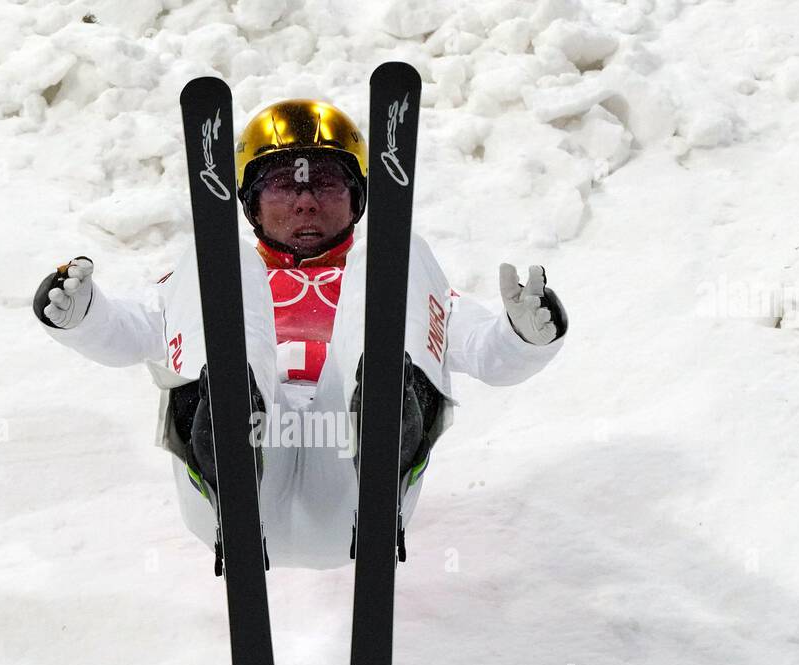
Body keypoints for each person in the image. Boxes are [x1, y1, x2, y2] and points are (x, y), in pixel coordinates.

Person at [32, 98, 568, 569]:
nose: (306, 201)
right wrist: (82, 316)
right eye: (284, 184)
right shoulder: (216, 277)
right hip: (237, 486)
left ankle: (383, 421)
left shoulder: (384, 277)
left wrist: (523, 337)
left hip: (355, 485)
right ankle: (227, 426)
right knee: (215, 256)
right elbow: (129, 331)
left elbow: (485, 353)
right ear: (250, 202)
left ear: (357, 197)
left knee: (398, 249)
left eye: (326, 183)